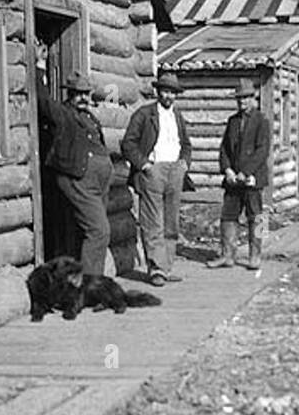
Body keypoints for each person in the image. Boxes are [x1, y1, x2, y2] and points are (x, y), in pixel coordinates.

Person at [34, 43, 113, 284]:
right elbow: (43, 100)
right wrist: (39, 66)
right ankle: (91, 286)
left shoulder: (90, 117)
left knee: (88, 231)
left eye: (86, 94)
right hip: (78, 179)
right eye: (78, 94)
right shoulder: (63, 114)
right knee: (100, 231)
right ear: (70, 94)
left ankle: (78, 280)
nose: (83, 98)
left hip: (98, 181)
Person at [123, 72, 193, 286]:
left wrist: (184, 164)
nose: (168, 96)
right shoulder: (145, 114)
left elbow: (186, 144)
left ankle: (166, 266)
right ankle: (156, 268)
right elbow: (128, 143)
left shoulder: (177, 116)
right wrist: (144, 165)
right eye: (165, 91)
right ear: (158, 91)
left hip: (175, 171)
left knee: (171, 222)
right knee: (153, 221)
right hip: (154, 171)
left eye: (172, 92)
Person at [207, 80, 271, 270]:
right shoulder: (233, 121)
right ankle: (227, 255)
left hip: (252, 178)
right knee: (228, 216)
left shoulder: (262, 121)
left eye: (245, 97)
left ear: (253, 98)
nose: (242, 101)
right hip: (233, 180)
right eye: (239, 98)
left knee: (258, 217)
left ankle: (256, 255)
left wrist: (246, 172)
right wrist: (227, 169)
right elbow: (224, 149)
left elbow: (262, 150)